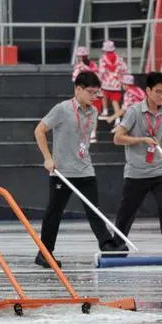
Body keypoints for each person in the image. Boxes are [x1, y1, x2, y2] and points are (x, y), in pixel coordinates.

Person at [33, 71, 119, 267]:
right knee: (54, 213)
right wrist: (48, 158)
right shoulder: (62, 109)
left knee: (94, 210)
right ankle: (45, 253)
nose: (94, 97)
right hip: (62, 172)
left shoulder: (94, 112)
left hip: (85, 169)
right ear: (78, 89)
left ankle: (106, 244)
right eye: (90, 92)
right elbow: (39, 130)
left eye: (97, 93)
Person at [111, 71, 162, 252]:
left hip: (161, 171)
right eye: (159, 92)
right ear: (148, 90)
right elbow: (118, 138)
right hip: (137, 171)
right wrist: (141, 140)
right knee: (126, 212)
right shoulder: (134, 111)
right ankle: (117, 247)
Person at [98, 40, 128, 123]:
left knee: (103, 95)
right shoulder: (119, 58)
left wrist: (99, 79)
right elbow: (124, 70)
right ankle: (118, 119)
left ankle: (105, 111)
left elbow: (102, 71)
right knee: (115, 101)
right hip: (116, 83)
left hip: (106, 82)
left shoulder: (103, 58)